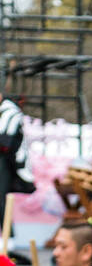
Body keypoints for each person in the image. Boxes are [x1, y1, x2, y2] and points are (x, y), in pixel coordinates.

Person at [0, 88, 34, 217]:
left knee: (1, 197)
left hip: (8, 162)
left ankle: (9, 235)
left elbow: (4, 141)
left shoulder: (10, 112)